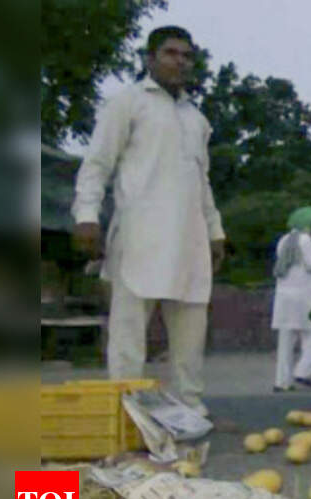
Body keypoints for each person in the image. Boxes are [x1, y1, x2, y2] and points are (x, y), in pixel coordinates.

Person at [72, 26, 225, 416]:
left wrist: (215, 230)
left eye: (187, 56)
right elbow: (97, 164)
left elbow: (201, 181)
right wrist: (87, 215)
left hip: (189, 243)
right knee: (128, 338)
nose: (180, 62)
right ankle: (126, 415)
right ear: (149, 59)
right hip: (140, 238)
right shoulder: (127, 103)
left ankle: (188, 413)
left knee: (190, 338)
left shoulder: (196, 119)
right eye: (171, 53)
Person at [272, 207, 311, 392]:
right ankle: (303, 372)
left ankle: (281, 382)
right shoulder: (305, 240)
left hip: (284, 298)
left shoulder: (283, 240)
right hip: (304, 297)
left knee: (285, 342)